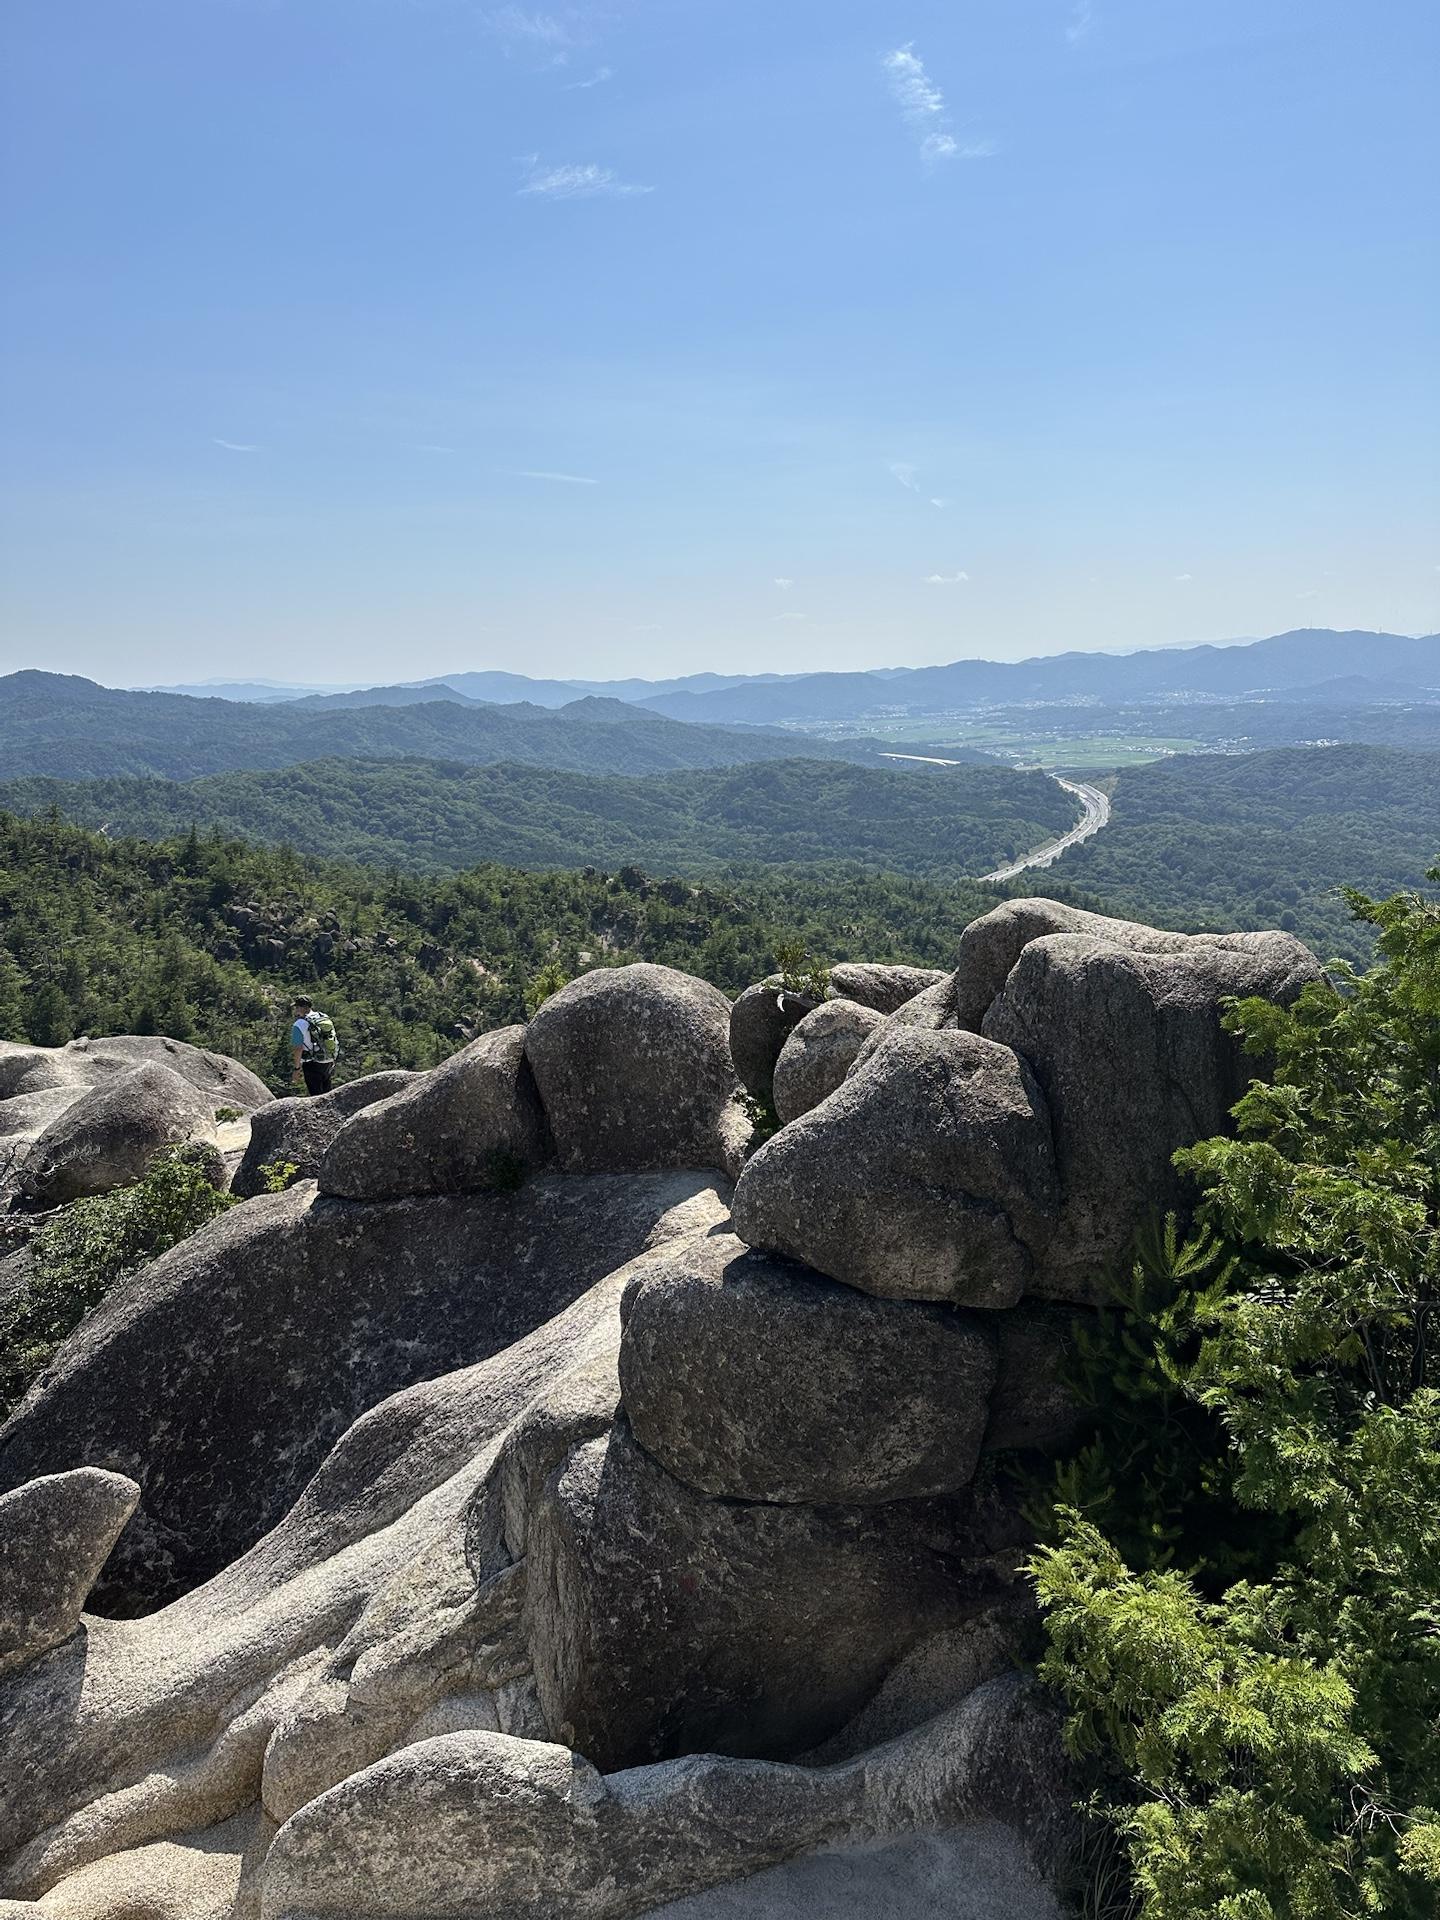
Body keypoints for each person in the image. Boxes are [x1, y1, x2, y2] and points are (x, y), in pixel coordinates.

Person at [289, 995, 339, 1095]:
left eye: (297, 1007)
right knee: (327, 1094)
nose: (296, 1010)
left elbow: (298, 1048)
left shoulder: (299, 1024)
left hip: (312, 1063)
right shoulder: (322, 1017)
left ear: (303, 1007)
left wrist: (297, 1069)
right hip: (328, 1060)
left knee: (316, 1095)